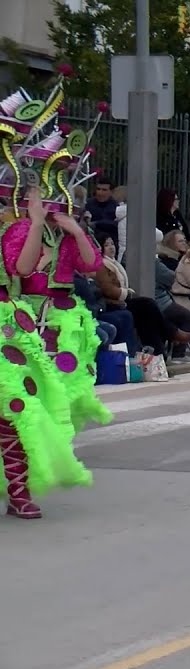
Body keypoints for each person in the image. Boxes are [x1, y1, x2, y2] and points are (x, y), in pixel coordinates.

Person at [0, 81, 111, 518]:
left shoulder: (28, 232)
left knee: (18, 407)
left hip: (21, 324)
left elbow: (28, 270)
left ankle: (20, 490)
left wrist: (72, 230)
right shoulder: (16, 230)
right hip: (26, 317)